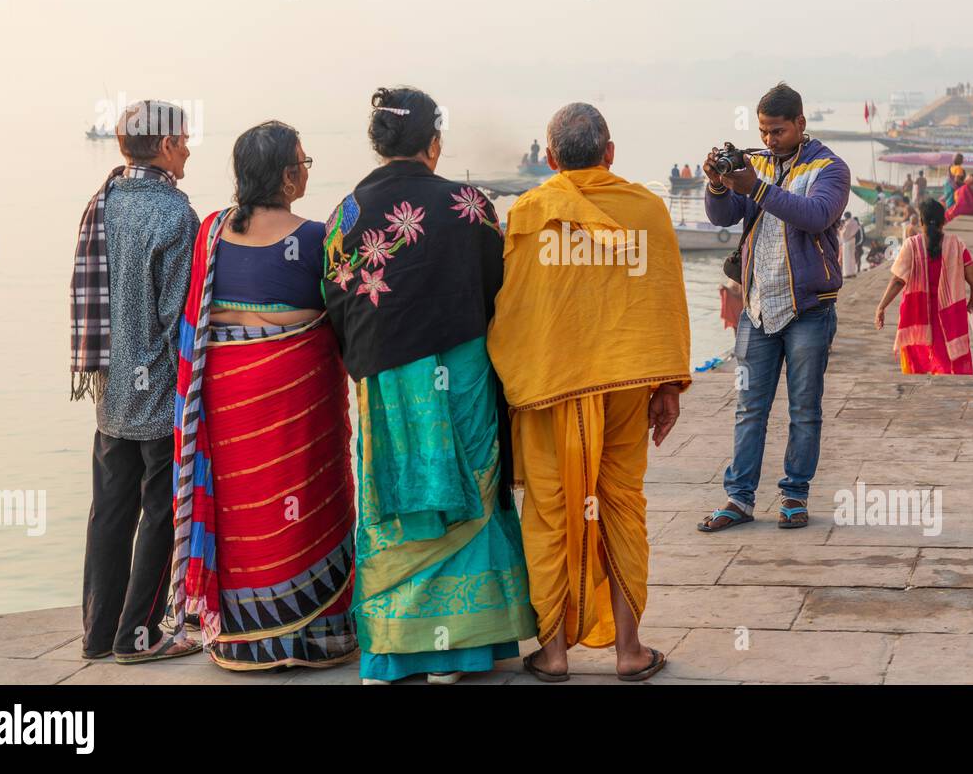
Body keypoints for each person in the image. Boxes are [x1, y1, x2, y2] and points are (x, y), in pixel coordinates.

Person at [325, 86, 536, 685]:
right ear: (434, 144)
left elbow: (337, 302)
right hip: (460, 372)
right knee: (468, 489)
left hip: (387, 383)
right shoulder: (469, 204)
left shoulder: (347, 212)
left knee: (393, 505)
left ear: (377, 143)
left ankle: (396, 649)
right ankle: (462, 651)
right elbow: (503, 292)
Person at [488, 102, 690, 683]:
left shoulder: (529, 212)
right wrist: (669, 382)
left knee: (550, 513)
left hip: (551, 388)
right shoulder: (647, 210)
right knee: (622, 505)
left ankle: (552, 655)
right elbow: (663, 302)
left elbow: (514, 310)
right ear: (610, 153)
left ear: (550, 159)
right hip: (626, 385)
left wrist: (513, 382)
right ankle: (630, 651)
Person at [169, 121, 358, 671]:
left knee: (239, 509)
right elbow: (344, 320)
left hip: (227, 398)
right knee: (305, 492)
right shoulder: (321, 237)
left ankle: (243, 639)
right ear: (285, 176)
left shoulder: (211, 233)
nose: (305, 170)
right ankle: (316, 637)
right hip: (297, 393)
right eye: (302, 161)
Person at [71, 100, 202, 664]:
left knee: (109, 511)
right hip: (157, 390)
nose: (190, 149)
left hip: (111, 393)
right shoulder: (175, 215)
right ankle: (138, 636)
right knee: (161, 510)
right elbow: (180, 317)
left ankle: (99, 634)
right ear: (167, 146)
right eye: (186, 139)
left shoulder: (102, 202)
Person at [696, 82, 850, 534]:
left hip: (808, 310)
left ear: (801, 124)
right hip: (757, 307)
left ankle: (794, 495)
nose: (768, 141)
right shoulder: (755, 163)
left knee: (804, 408)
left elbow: (816, 215)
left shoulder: (830, 168)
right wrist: (717, 184)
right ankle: (738, 499)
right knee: (749, 408)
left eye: (777, 131)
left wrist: (758, 189)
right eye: (763, 131)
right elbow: (723, 218)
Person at [874, 198, 973, 375]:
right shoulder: (956, 244)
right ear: (944, 221)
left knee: (920, 363)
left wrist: (881, 307)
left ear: (921, 222)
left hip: (918, 315)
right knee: (948, 361)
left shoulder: (912, 245)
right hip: (950, 315)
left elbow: (897, 281)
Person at [839, 211, 861, 278]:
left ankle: (847, 273)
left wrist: (841, 230)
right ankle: (853, 272)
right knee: (852, 257)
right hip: (853, 240)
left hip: (847, 241)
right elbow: (857, 229)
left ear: (845, 216)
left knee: (846, 258)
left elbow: (844, 234)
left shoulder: (847, 223)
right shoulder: (854, 222)